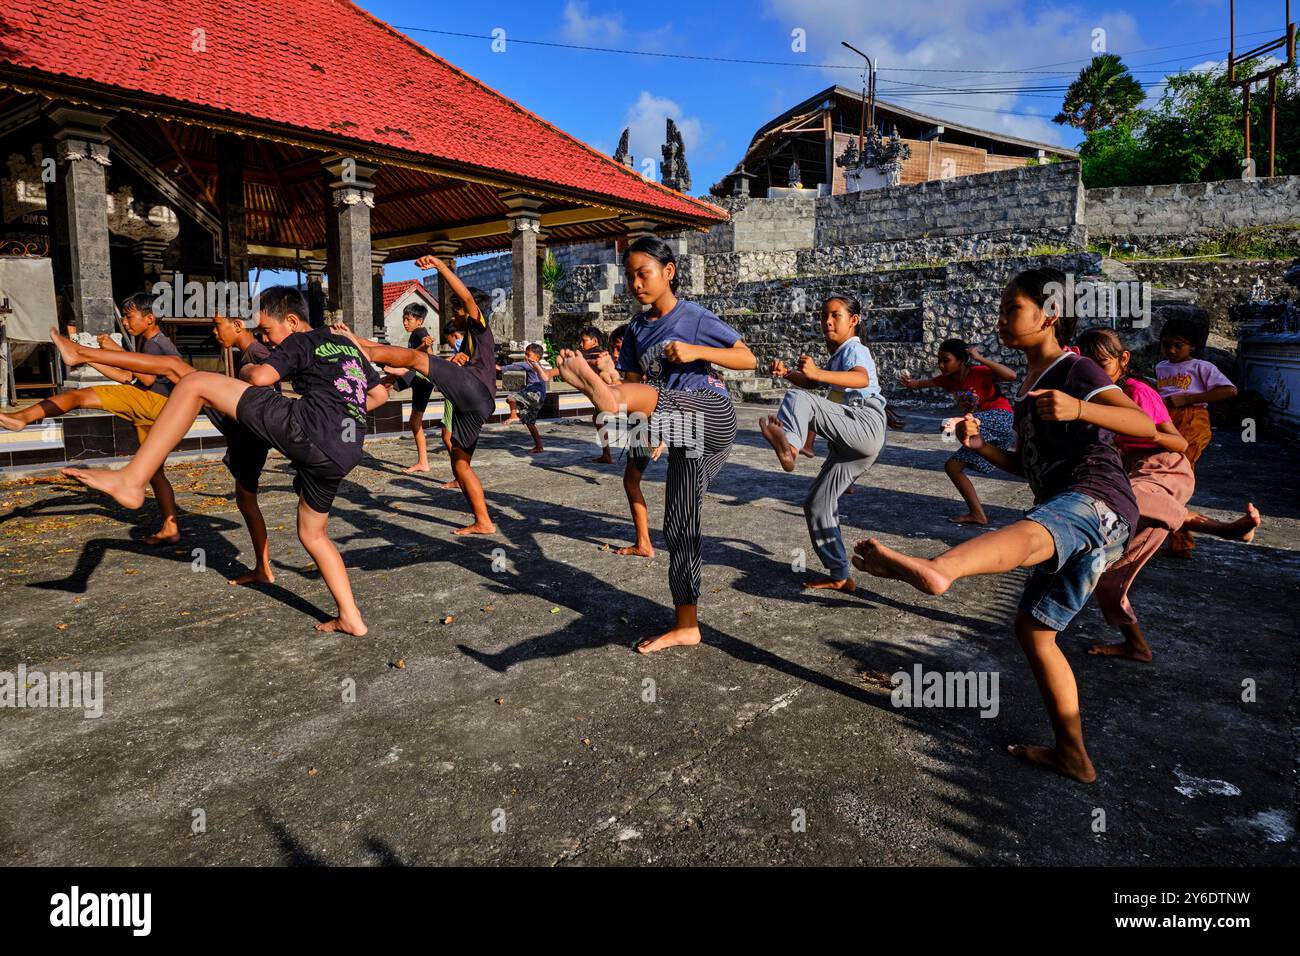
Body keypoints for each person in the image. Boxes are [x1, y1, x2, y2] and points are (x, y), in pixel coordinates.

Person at [852, 268, 1157, 783]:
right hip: (1072, 511)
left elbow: (1145, 426)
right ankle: (1074, 755)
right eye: (1001, 308)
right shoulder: (1028, 390)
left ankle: (940, 569)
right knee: (1035, 631)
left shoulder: (1076, 370)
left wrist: (1083, 406)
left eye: (1012, 308)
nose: (1000, 318)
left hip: (1097, 502)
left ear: (1050, 313)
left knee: (1052, 521)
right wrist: (981, 449)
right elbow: (1027, 466)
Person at [62, 286, 387, 636]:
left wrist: (249, 375)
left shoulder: (298, 340)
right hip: (343, 451)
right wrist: (338, 417)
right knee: (314, 534)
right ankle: (351, 617)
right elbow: (379, 394)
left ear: (291, 321)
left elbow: (262, 377)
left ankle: (132, 480)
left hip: (308, 430)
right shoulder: (346, 345)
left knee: (196, 382)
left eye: (267, 331)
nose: (267, 339)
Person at [567, 235, 755, 652]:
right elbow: (638, 386)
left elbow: (747, 358)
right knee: (679, 524)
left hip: (712, 412)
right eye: (629, 276)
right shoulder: (635, 330)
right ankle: (687, 625)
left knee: (638, 398)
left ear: (668, 272)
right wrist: (636, 410)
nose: (635, 284)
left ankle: (602, 396)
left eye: (643, 273)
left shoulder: (694, 316)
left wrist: (694, 351)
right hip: (680, 430)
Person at [48, 314, 278, 586]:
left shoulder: (258, 353)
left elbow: (267, 396)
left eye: (218, 325)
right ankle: (263, 568)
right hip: (244, 434)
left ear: (237, 325)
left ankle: (81, 354)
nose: (215, 332)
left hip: (246, 428)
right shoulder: (248, 352)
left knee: (173, 367)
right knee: (246, 503)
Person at [1078, 328, 1260, 662]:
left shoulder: (1135, 390)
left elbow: (1177, 442)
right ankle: (1137, 646)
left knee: (1125, 498)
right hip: (1135, 476)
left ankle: (1225, 529)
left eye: (1101, 364)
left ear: (1123, 359)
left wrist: (1140, 430)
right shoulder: (1093, 399)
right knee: (1106, 574)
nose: (1094, 373)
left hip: (1163, 468)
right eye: (1087, 366)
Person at [0, 292, 183, 545]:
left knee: (77, 397)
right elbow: (127, 376)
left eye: (130, 318)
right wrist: (98, 360)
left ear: (149, 319)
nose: (126, 323)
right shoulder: (152, 343)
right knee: (155, 472)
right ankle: (170, 527)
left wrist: (114, 351)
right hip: (158, 412)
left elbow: (148, 379)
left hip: (154, 404)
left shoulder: (157, 344)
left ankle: (22, 417)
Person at [335, 255, 497, 535]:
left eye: (455, 309)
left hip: (475, 391)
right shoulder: (471, 343)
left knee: (414, 358)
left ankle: (365, 351)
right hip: (477, 404)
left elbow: (468, 300)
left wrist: (440, 267)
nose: (454, 314)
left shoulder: (478, 325)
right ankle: (484, 522)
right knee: (460, 464)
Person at [758, 295, 888, 592]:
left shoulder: (855, 349)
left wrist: (816, 373)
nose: (827, 321)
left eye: (835, 316)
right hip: (853, 444)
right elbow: (815, 383)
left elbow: (860, 378)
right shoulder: (837, 357)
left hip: (864, 422)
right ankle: (841, 574)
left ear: (853, 320)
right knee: (817, 503)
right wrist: (789, 373)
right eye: (822, 316)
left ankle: (791, 447)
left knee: (795, 400)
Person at [899, 338, 1017, 525]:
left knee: (960, 422)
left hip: (1001, 418)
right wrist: (908, 382)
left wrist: (980, 358)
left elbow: (1011, 376)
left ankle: (957, 422)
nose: (941, 365)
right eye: (939, 360)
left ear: (962, 361)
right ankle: (978, 514)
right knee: (952, 467)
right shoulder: (947, 381)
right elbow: (920, 384)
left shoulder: (979, 372)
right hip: (980, 432)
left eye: (946, 360)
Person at [1154, 317, 1238, 556]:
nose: (1170, 350)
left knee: (1175, 477)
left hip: (1193, 419)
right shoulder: (1161, 367)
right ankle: (1174, 537)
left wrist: (1187, 399)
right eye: (1165, 344)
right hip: (1167, 419)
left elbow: (1229, 390)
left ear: (1193, 346)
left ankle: (1181, 541)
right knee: (1164, 475)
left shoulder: (1202, 367)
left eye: (1177, 345)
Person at [380, 304, 436, 475]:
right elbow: (420, 352)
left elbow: (429, 354)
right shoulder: (416, 334)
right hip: (422, 380)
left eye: (408, 319)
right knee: (415, 422)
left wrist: (425, 346)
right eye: (404, 319)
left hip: (418, 377)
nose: (405, 322)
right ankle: (423, 462)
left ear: (419, 321)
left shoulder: (420, 332)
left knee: (384, 384)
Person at [500, 343, 557, 453]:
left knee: (511, 397)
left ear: (536, 357)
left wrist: (500, 368)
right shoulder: (542, 367)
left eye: (527, 354)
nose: (526, 357)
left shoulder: (529, 364)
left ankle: (513, 416)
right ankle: (539, 446)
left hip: (534, 393)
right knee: (529, 422)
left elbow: (514, 366)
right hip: (540, 399)